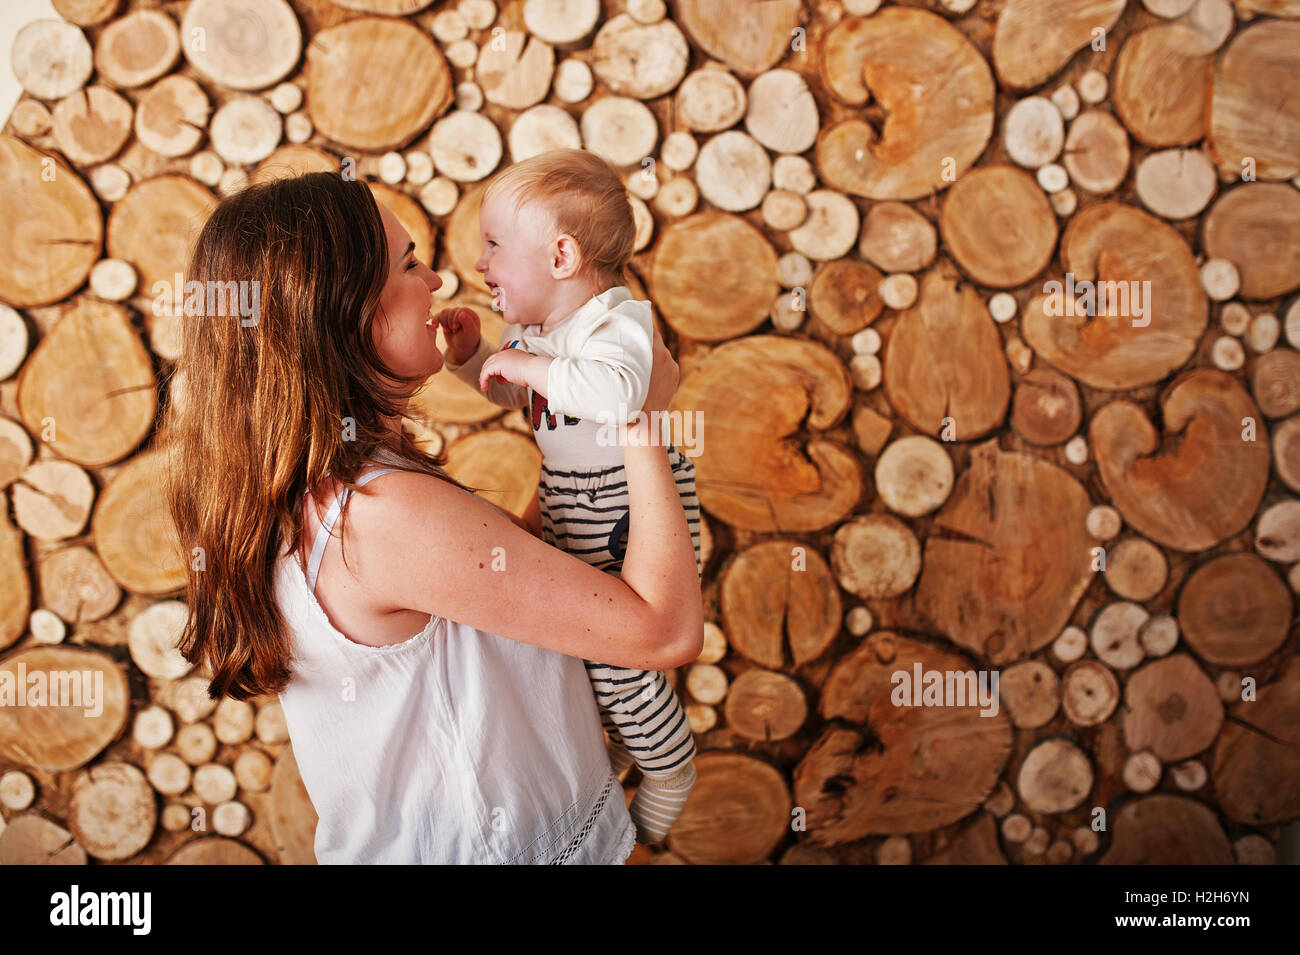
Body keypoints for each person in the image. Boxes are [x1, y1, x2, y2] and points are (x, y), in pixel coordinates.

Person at [163, 170, 703, 864]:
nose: (439, 281)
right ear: (345, 310)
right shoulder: (379, 516)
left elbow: (521, 568)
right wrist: (640, 422)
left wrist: (578, 445)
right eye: (409, 264)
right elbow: (667, 631)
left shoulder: (336, 494)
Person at [436, 148, 699, 845]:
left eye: (494, 245)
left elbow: (615, 396)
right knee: (582, 647)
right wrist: (474, 359)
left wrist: (524, 363)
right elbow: (527, 397)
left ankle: (668, 770)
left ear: (561, 256)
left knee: (618, 652)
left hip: (627, 512)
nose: (481, 263)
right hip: (571, 502)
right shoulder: (536, 333)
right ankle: (609, 768)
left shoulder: (617, 321)